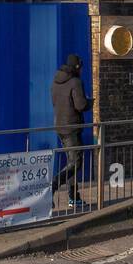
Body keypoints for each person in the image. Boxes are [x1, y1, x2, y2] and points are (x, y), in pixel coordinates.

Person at [50, 53, 89, 209]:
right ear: (77, 67)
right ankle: (53, 186)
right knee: (76, 163)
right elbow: (80, 105)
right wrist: (89, 102)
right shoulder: (75, 82)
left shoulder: (55, 81)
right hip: (72, 127)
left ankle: (74, 197)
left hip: (59, 126)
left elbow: (54, 102)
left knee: (71, 162)